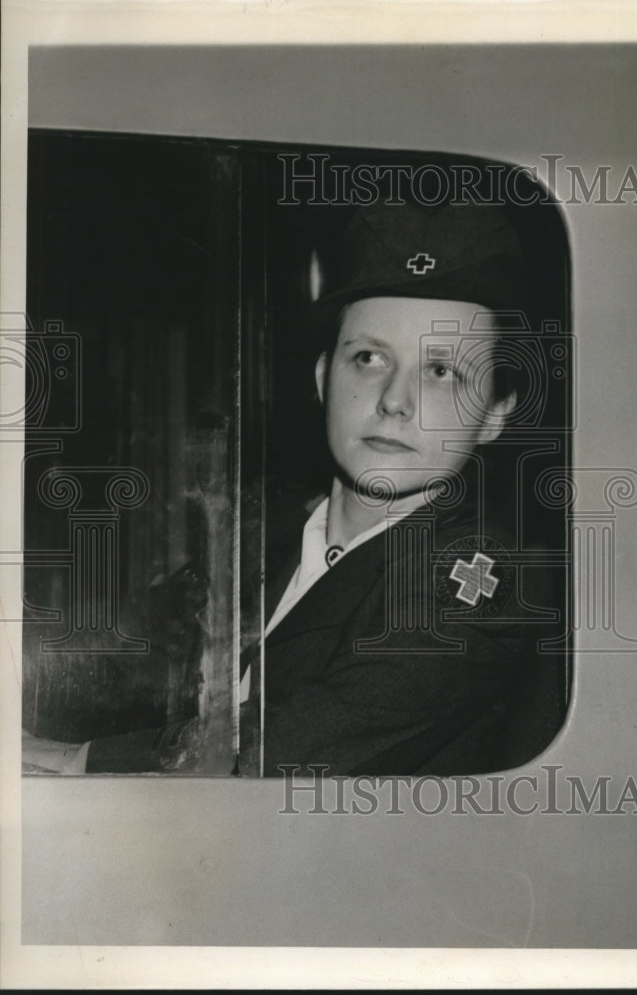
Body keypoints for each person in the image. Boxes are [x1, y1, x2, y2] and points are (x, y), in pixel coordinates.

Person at [23, 198, 563, 777]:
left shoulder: (480, 585)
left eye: (441, 371)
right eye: (369, 357)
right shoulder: (270, 529)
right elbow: (119, 649)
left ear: (495, 415)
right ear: (323, 377)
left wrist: (78, 759)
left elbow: (294, 746)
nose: (394, 401)